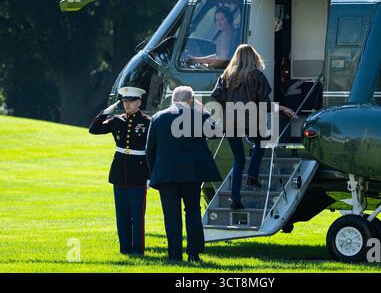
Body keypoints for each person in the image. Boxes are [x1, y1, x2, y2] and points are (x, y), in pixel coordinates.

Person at [211, 44, 297, 209]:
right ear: (253, 58)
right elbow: (265, 104)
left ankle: (235, 199)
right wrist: (284, 108)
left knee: (239, 160)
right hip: (251, 120)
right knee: (261, 141)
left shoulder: (225, 76)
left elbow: (216, 96)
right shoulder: (257, 76)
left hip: (230, 122)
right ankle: (253, 174)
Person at [146, 86, 222, 262]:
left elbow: (150, 150)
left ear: (173, 99)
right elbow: (217, 132)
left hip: (166, 174)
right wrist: (203, 110)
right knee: (193, 212)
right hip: (192, 174)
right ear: (190, 100)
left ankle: (174, 255)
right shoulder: (199, 115)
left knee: (171, 215)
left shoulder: (158, 117)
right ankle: (193, 254)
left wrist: (152, 173)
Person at [89, 86, 150, 256]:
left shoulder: (147, 122)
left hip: (138, 173)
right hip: (119, 173)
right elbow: (93, 130)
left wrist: (150, 176)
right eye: (124, 101)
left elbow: (152, 150)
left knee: (137, 216)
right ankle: (125, 248)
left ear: (139, 102)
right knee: (121, 214)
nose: (127, 104)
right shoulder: (117, 120)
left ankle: (137, 249)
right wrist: (105, 112)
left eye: (131, 101)